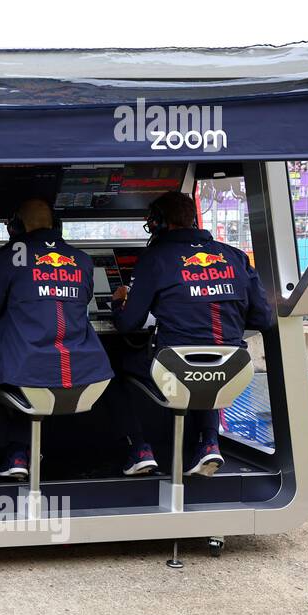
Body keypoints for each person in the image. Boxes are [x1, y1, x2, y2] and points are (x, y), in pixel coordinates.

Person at [107, 190, 274, 477]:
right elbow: (264, 318)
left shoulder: (155, 258)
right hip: (232, 369)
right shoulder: (235, 256)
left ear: (160, 223)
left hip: (175, 369)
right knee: (205, 365)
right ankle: (209, 443)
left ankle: (139, 450)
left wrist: (117, 302)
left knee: (112, 369)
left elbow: (128, 324)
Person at [0, 198, 113, 479]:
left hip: (27, 368)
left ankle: (14, 451)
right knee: (26, 378)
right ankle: (23, 449)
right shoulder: (82, 259)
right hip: (84, 371)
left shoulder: (12, 256)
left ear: (16, 226)